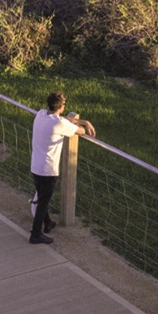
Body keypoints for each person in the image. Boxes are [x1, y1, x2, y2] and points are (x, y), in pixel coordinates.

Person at [29, 91, 95, 244]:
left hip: (35, 166)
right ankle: (35, 234)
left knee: (41, 194)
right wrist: (85, 124)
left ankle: (48, 223)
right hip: (48, 171)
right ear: (60, 106)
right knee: (44, 201)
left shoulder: (40, 115)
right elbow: (81, 132)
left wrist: (83, 120)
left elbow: (61, 118)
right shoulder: (59, 124)